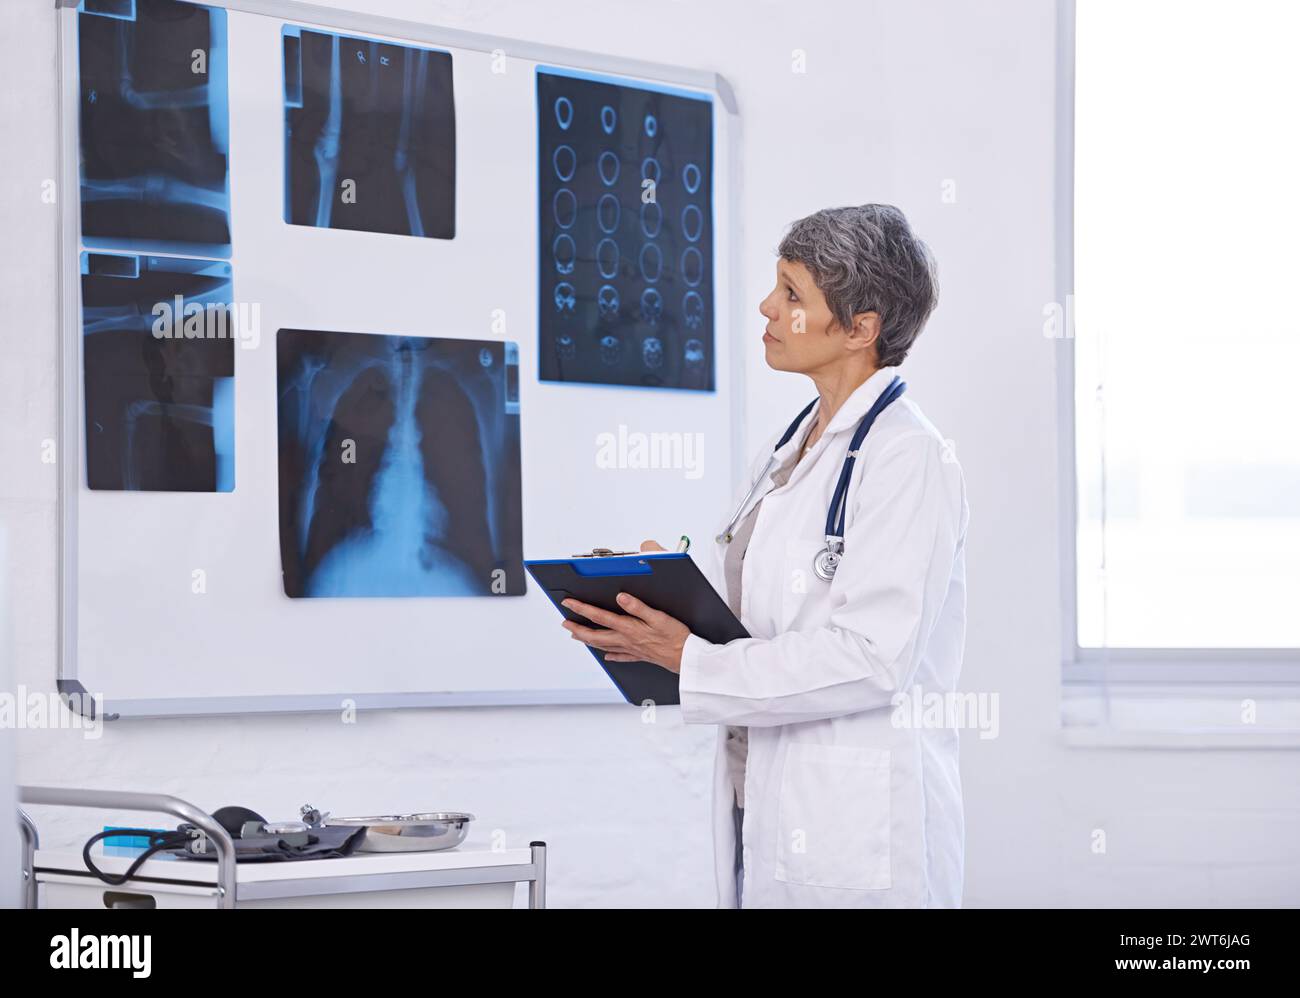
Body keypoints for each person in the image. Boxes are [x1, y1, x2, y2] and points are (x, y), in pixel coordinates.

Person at [561, 204, 968, 908]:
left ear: (860, 330)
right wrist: (663, 587)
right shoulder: (790, 447)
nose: (766, 306)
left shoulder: (909, 458)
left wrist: (691, 659)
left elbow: (872, 659)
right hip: (765, 798)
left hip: (856, 825)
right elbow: (763, 602)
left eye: (792, 294)